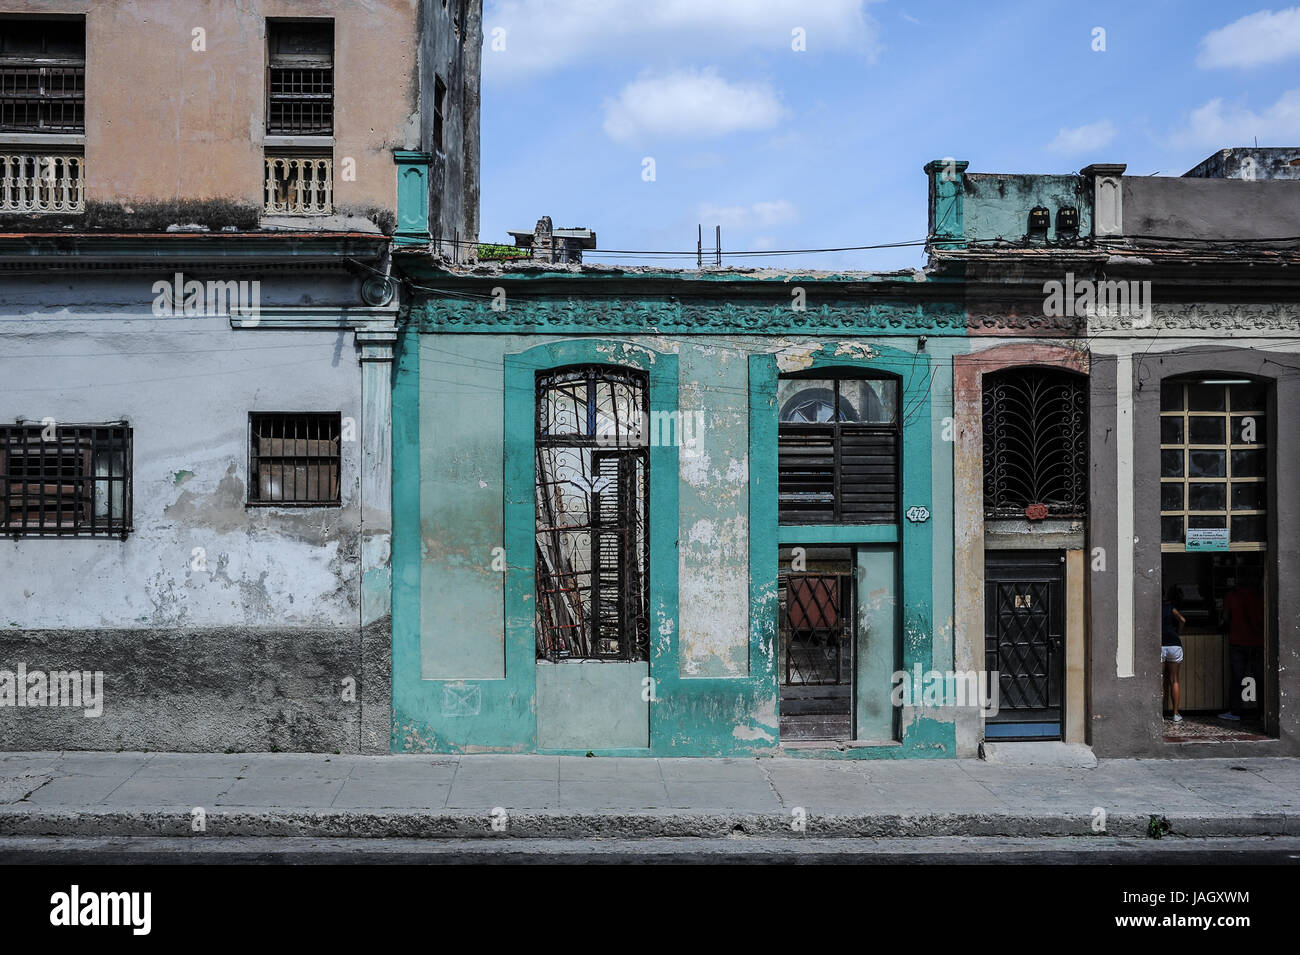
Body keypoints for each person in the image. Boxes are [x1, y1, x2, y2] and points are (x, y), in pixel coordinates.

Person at [1218, 574, 1265, 721]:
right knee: (1261, 678)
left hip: (1237, 642)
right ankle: (1263, 712)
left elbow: (1225, 618)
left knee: (1237, 678)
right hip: (1258, 642)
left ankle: (1235, 712)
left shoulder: (1232, 595)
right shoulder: (1261, 595)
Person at [1162, 586, 1186, 723]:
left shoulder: (1156, 608)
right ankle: (1176, 714)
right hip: (1174, 645)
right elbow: (1182, 620)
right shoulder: (1170, 608)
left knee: (1160, 681)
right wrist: (1178, 632)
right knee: (1174, 680)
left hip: (1160, 645)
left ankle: (1158, 715)